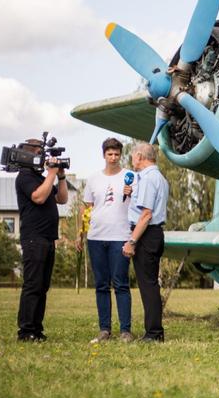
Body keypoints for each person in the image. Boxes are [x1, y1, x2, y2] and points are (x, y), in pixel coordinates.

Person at [77, 137, 134, 343]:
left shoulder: (130, 176)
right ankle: (104, 329)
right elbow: (86, 208)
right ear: (104, 155)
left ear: (121, 155)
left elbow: (139, 205)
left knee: (120, 283)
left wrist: (133, 194)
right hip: (96, 237)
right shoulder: (93, 179)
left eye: (117, 154)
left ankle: (126, 331)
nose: (113, 157)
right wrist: (79, 234)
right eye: (109, 154)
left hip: (120, 237)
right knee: (101, 285)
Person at [15, 138, 69, 341]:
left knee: (43, 286)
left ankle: (36, 329)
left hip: (47, 238)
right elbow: (38, 197)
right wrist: (51, 174)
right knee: (32, 285)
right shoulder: (25, 176)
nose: (44, 157)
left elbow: (62, 199)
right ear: (30, 154)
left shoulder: (40, 177)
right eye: (40, 152)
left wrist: (61, 176)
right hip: (33, 238)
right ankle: (26, 331)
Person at [122, 143, 169, 342]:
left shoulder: (149, 179)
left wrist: (132, 241)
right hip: (153, 234)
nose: (132, 160)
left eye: (133, 156)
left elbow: (146, 214)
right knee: (149, 284)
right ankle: (153, 331)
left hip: (146, 234)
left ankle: (154, 333)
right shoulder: (157, 178)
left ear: (140, 156)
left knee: (148, 285)